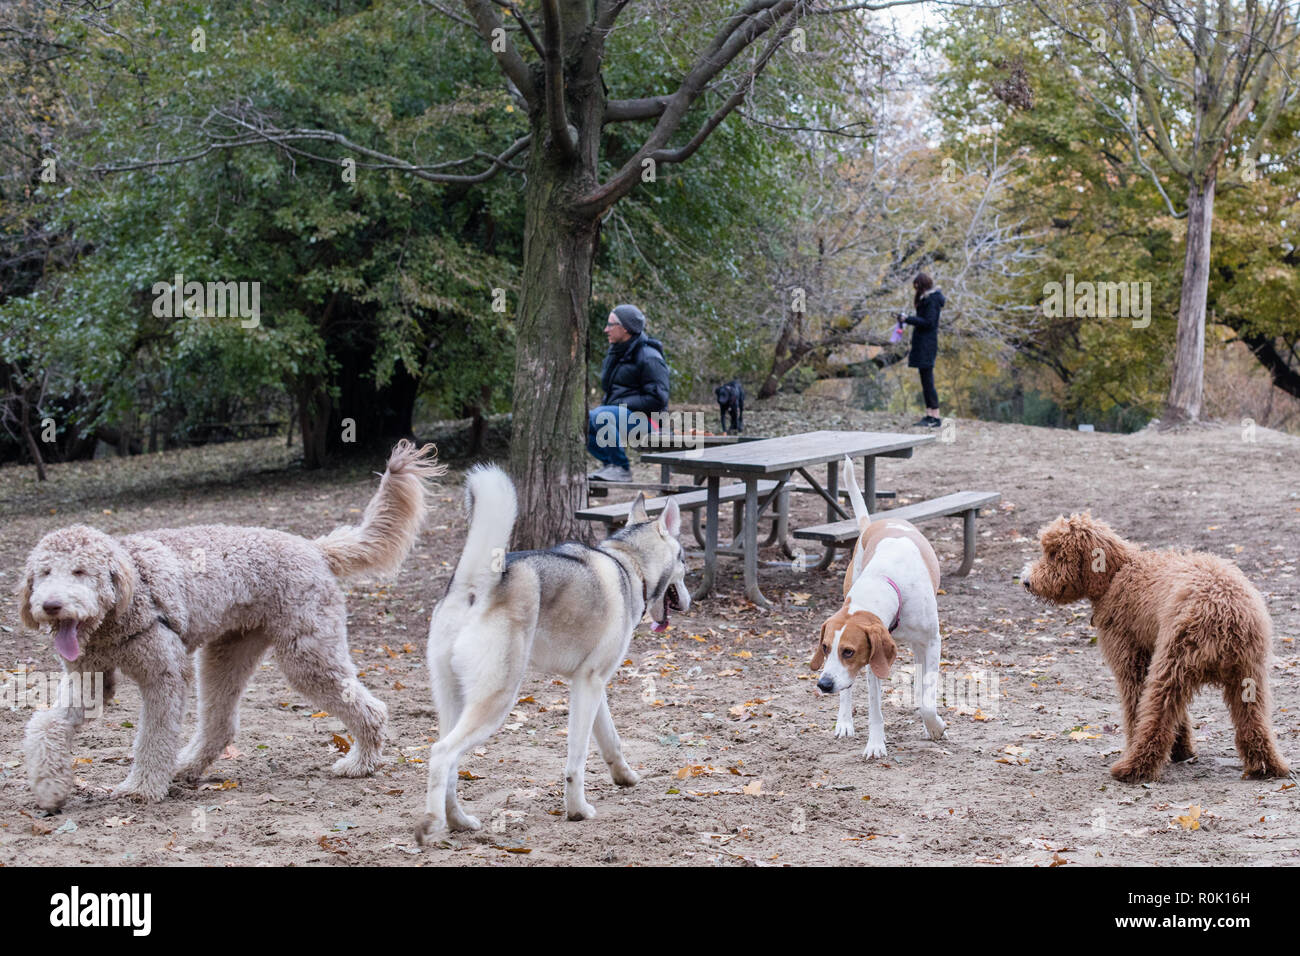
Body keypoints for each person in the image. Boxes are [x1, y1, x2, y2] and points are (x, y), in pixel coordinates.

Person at [588, 303, 669, 481]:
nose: (605, 329)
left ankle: (621, 468)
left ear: (625, 329)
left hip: (650, 423)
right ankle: (610, 464)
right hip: (623, 416)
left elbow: (658, 399)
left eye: (610, 325)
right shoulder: (616, 353)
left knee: (602, 415)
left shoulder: (649, 357)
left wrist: (617, 406)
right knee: (582, 420)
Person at [896, 272, 944, 428]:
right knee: (925, 380)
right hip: (923, 343)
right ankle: (930, 414)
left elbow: (928, 322)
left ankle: (935, 416)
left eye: (918, 287)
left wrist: (907, 319)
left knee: (928, 381)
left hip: (927, 344)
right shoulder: (927, 299)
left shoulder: (932, 301)